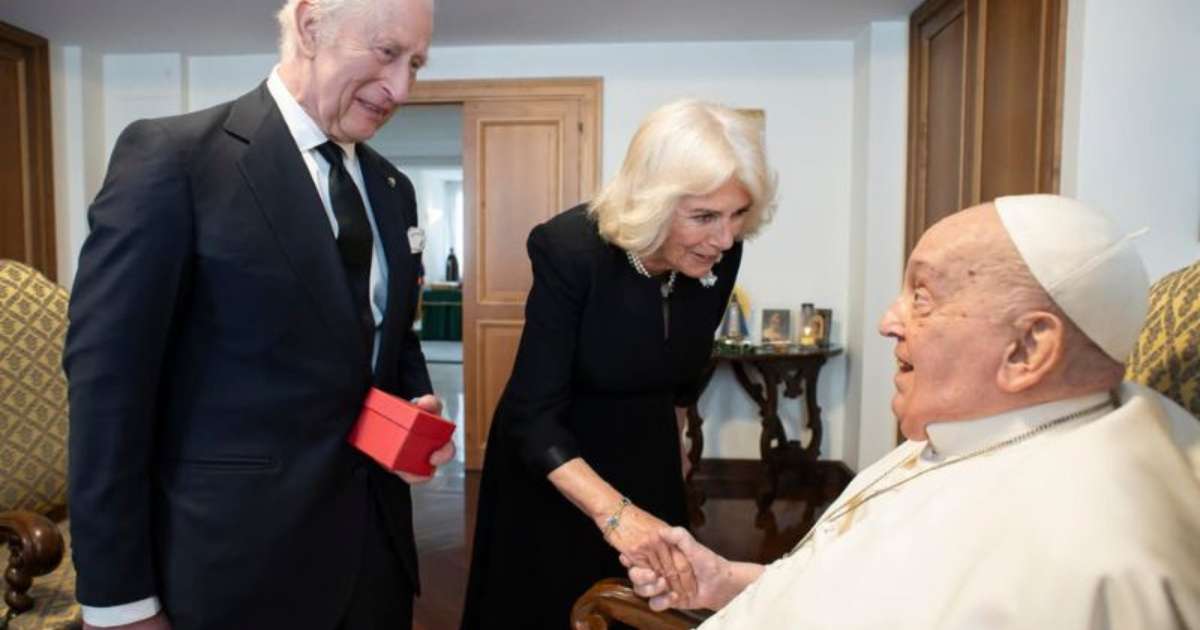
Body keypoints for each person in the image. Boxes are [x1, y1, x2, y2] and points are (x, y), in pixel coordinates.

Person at [627, 195, 1200, 628]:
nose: (888, 320)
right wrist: (729, 583)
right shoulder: (979, 435)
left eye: (921, 296)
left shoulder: (1087, 554)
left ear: (1028, 349)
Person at [64, 1, 453, 628]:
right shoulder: (173, 159)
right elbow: (107, 393)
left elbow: (389, 338)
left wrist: (413, 411)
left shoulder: (391, 188)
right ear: (308, 26)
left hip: (376, 557)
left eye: (416, 64)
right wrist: (118, 602)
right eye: (386, 54)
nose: (401, 88)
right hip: (233, 569)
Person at [460, 99, 777, 628]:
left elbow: (684, 373)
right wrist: (616, 515)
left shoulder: (721, 251)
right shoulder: (570, 250)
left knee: (647, 609)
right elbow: (532, 416)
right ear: (653, 201)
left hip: (645, 452)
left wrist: (674, 449)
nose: (724, 239)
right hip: (559, 463)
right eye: (703, 217)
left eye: (737, 215)